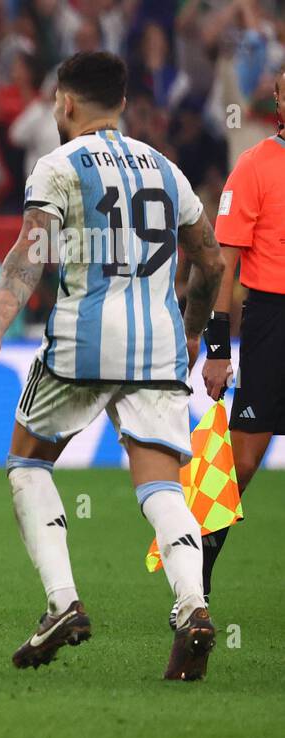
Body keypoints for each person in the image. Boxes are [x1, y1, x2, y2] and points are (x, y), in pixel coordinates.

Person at [0, 52, 226, 682]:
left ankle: (62, 603)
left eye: (55, 102)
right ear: (124, 104)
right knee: (160, 485)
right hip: (158, 344)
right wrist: (192, 333)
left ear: (66, 104)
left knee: (26, 462)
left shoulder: (57, 165)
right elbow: (211, 265)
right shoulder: (167, 168)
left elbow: (30, 254)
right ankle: (193, 606)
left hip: (84, 339)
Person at [199, 67, 285, 599]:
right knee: (243, 463)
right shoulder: (254, 165)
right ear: (276, 98)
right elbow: (224, 266)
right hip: (271, 320)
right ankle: (195, 586)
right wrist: (215, 348)